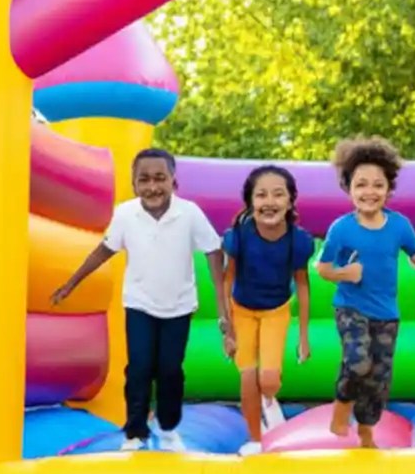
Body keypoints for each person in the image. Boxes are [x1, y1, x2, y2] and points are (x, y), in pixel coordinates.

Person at [51, 148, 231, 452]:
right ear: (134, 184)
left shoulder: (189, 213)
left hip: (179, 305)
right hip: (139, 304)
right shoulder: (125, 214)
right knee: (139, 368)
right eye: (143, 180)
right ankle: (135, 431)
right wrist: (71, 283)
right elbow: (104, 250)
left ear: (174, 181)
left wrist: (222, 306)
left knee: (170, 369)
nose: (152, 187)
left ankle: (168, 425)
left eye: (160, 178)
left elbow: (214, 251)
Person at [315, 136, 415, 448]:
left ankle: (367, 431)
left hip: (386, 314)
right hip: (350, 308)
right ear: (349, 188)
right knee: (357, 362)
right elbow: (323, 268)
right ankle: (341, 409)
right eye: (361, 185)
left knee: (378, 379)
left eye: (377, 185)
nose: (369, 192)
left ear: (388, 189)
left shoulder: (399, 225)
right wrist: (346, 273)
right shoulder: (341, 228)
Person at [222, 165, 315, 456]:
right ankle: (255, 439)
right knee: (247, 377)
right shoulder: (239, 235)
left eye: (278, 194)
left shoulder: (299, 241)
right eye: (261, 195)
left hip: (276, 310)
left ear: (290, 201)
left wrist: (303, 337)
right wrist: (227, 326)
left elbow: (302, 285)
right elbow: (227, 280)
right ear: (251, 202)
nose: (269, 202)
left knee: (269, 380)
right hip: (242, 310)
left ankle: (269, 400)